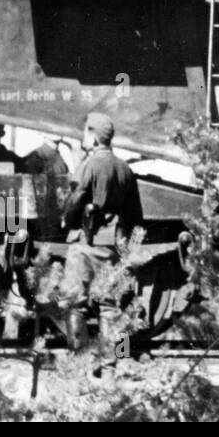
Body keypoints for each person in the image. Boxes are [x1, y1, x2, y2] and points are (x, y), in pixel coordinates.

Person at [61, 113, 144, 349]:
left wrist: (67, 220)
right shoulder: (125, 170)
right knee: (111, 306)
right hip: (114, 247)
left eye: (86, 132)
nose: (84, 137)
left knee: (74, 303)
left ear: (95, 137)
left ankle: (82, 365)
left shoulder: (89, 166)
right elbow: (135, 215)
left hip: (86, 245)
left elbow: (76, 198)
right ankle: (113, 368)